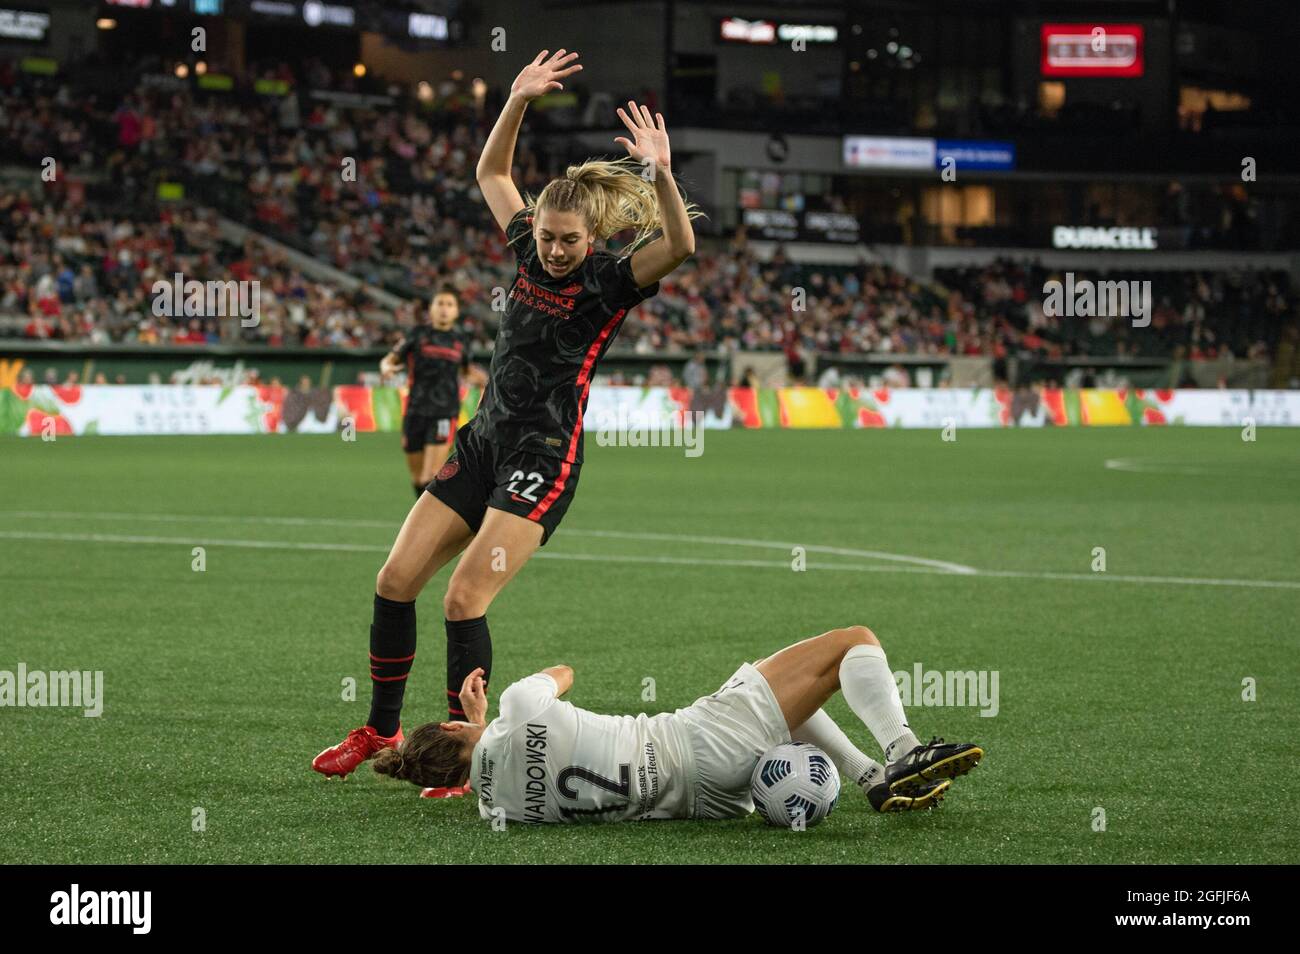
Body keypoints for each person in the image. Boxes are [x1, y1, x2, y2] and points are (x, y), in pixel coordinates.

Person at [312, 48, 703, 795]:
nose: (554, 250)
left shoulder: (610, 281)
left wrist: (659, 172)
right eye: (547, 237)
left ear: (592, 236)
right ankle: (382, 729)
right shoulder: (527, 245)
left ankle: (463, 760)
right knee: (394, 580)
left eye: (568, 240)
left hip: (543, 457)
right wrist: (517, 98)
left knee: (464, 597)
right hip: (483, 441)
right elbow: (492, 176)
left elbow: (680, 245)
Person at [373, 624, 983, 821]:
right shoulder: (515, 709)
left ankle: (870, 777)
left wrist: (480, 730)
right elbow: (562, 672)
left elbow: (493, 765)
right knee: (853, 642)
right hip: (696, 739)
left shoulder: (497, 810)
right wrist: (489, 713)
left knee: (779, 699)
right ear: (452, 729)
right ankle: (902, 748)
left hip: (707, 804)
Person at [380, 287, 470, 498]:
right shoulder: (417, 334)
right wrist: (386, 368)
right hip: (415, 411)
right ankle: (424, 522)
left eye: (449, 305)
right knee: (418, 478)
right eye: (440, 304)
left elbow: (467, 371)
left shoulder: (461, 341)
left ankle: (436, 525)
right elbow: (389, 360)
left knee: (430, 476)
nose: (444, 309)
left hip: (445, 412)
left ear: (456, 311)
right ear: (431, 309)